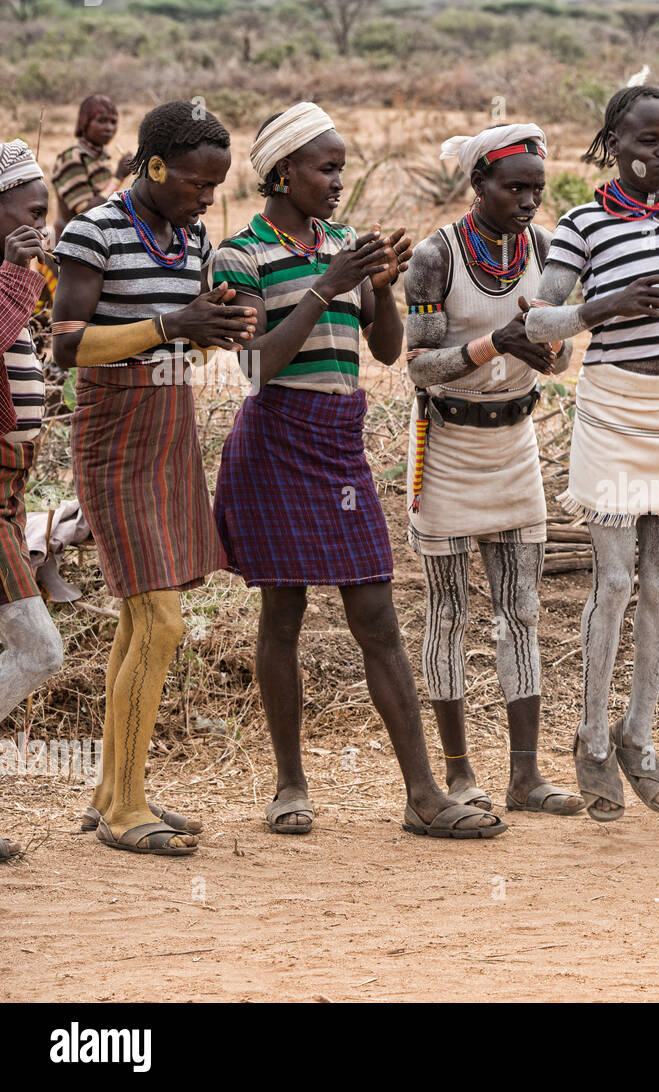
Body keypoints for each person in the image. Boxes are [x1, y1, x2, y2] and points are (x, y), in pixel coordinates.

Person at [211, 102, 503, 840]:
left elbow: (383, 351)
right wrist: (327, 282)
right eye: (327, 167)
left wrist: (379, 289)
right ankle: (289, 785)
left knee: (375, 613)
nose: (339, 182)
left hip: (338, 438)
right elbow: (254, 365)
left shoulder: (343, 242)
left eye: (341, 167)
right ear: (283, 173)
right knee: (283, 614)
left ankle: (423, 794)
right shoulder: (239, 254)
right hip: (276, 437)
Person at [525, 85, 659, 821]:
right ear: (614, 143)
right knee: (613, 583)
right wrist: (603, 308)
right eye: (649, 141)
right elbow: (540, 323)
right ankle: (588, 738)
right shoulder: (582, 223)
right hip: (615, 409)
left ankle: (636, 737)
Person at [52, 101, 256, 855]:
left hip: (169, 418)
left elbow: (184, 336)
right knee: (162, 620)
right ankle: (125, 811)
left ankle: (115, 792)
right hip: (113, 428)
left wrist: (217, 326)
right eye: (198, 184)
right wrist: (173, 326)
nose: (208, 199)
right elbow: (68, 347)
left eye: (216, 186)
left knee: (144, 618)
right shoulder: (94, 230)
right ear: (157, 166)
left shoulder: (189, 235)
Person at [404, 123, 583, 816]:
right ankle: (457, 777)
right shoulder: (433, 257)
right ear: (476, 184)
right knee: (448, 613)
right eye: (514, 187)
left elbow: (558, 350)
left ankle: (525, 777)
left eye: (537, 188)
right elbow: (418, 365)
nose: (529, 201)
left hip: (516, 445)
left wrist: (545, 355)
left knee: (522, 614)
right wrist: (492, 345)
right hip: (447, 446)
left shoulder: (543, 250)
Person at [0, 141, 66, 863]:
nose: (41, 226)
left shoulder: (16, 280)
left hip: (11, 499)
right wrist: (16, 273)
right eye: (30, 212)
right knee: (39, 650)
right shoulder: (10, 280)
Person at [50, 96, 132, 243]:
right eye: (102, 120)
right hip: (67, 243)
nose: (109, 127)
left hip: (93, 240)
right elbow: (85, 212)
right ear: (84, 123)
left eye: (113, 122)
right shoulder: (71, 159)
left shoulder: (102, 159)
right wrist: (119, 176)